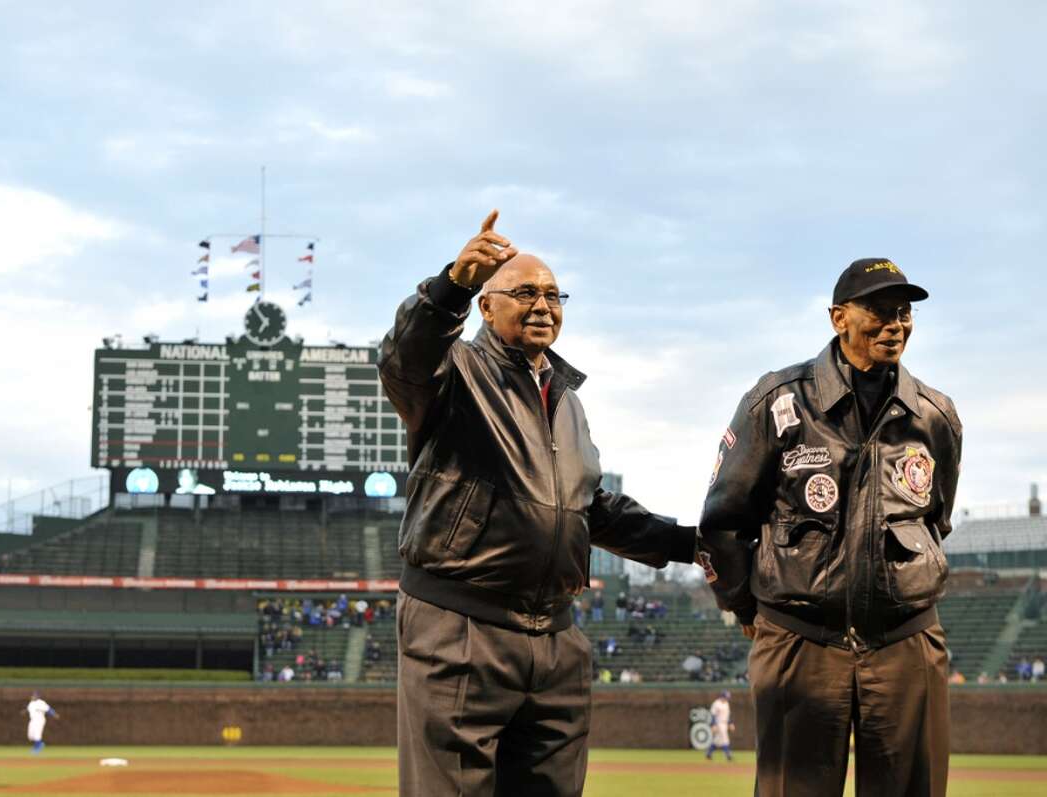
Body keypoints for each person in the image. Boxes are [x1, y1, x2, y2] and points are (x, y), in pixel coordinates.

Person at [379, 209, 696, 796]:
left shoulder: (567, 401)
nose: (543, 304)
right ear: (485, 306)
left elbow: (587, 508)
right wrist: (451, 285)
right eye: (524, 292)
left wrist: (689, 544)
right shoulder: (456, 371)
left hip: (555, 635)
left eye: (554, 294)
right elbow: (405, 358)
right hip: (461, 623)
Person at [698, 258, 962, 797]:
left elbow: (936, 520)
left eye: (904, 312)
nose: (895, 324)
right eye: (880, 310)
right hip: (801, 640)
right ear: (838, 317)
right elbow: (723, 522)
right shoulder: (778, 402)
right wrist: (745, 608)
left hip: (904, 642)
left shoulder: (935, 415)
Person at [706, 690, 735, 761]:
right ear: (722, 696)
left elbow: (727, 715)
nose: (727, 698)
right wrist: (713, 725)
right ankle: (728, 755)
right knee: (725, 738)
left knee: (717, 741)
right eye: (726, 697)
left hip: (725, 723)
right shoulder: (716, 703)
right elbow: (713, 715)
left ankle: (709, 754)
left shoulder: (726, 703)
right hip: (718, 723)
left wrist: (730, 723)